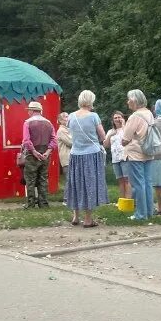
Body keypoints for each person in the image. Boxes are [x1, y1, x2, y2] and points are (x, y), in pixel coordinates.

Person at [65, 90, 109, 227]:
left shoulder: (71, 116)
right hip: (91, 155)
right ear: (91, 101)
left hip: (75, 155)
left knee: (76, 184)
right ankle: (88, 219)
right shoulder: (93, 116)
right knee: (89, 185)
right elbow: (102, 137)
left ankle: (75, 216)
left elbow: (71, 133)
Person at [122, 89, 155, 220]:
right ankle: (149, 212)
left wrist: (123, 141)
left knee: (138, 184)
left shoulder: (135, 116)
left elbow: (125, 138)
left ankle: (141, 214)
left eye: (129, 99)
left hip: (136, 154)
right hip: (148, 151)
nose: (127, 102)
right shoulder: (149, 113)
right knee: (147, 183)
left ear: (134, 101)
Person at [21, 101, 57, 209]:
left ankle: (30, 204)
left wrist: (35, 152)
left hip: (32, 154)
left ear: (32, 111)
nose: (28, 113)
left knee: (30, 179)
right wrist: (46, 152)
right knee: (43, 178)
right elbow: (54, 140)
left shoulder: (27, 123)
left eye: (29, 111)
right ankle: (44, 203)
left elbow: (26, 141)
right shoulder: (48, 123)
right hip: (45, 154)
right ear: (40, 111)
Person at [103, 111, 131, 199]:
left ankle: (128, 200)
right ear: (113, 120)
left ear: (123, 118)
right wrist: (109, 136)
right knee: (120, 180)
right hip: (115, 159)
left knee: (127, 179)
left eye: (119, 117)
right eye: (115, 118)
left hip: (125, 157)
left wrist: (123, 126)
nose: (117, 119)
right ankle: (122, 200)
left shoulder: (126, 128)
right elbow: (106, 145)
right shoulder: (111, 131)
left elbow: (129, 139)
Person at [56, 112, 72, 197]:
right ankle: (67, 199)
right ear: (60, 120)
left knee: (72, 179)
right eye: (65, 117)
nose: (68, 118)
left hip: (71, 157)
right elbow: (71, 142)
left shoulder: (68, 129)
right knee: (70, 179)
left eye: (68, 116)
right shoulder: (62, 130)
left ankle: (71, 198)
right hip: (67, 158)